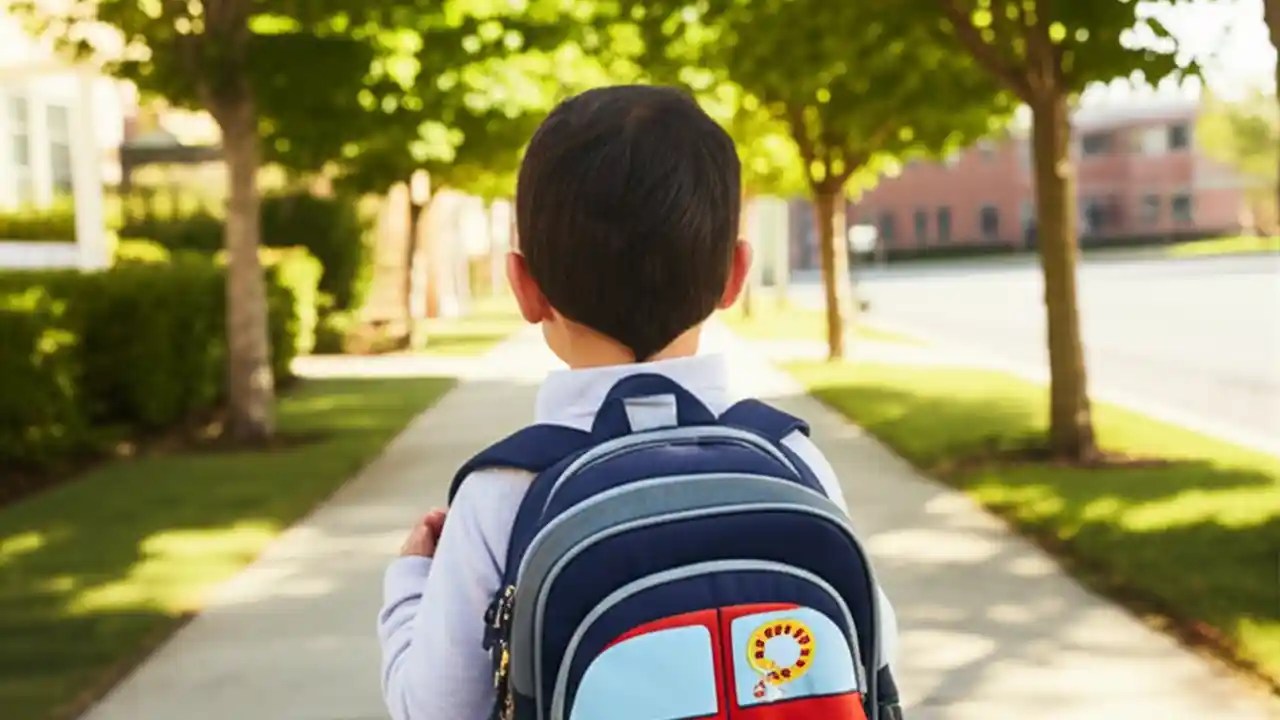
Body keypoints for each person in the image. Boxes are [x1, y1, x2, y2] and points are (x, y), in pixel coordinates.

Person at [378, 84, 899, 720]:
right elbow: (870, 651)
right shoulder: (795, 461)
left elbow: (436, 710)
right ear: (734, 276)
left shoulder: (505, 491)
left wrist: (410, 586)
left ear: (525, 288)